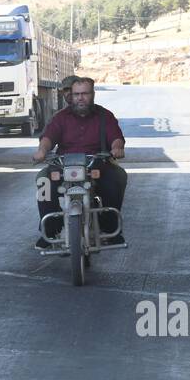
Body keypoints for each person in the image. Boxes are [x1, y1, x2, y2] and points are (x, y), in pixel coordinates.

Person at [32, 76, 128, 250]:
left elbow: (116, 138)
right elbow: (48, 138)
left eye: (85, 93)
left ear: (92, 94)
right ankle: (50, 230)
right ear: (71, 96)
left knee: (118, 177)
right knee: (43, 181)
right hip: (64, 165)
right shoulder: (60, 117)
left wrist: (117, 148)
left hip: (97, 164)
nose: (80, 98)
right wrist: (42, 151)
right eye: (76, 94)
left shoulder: (105, 116)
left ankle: (110, 228)